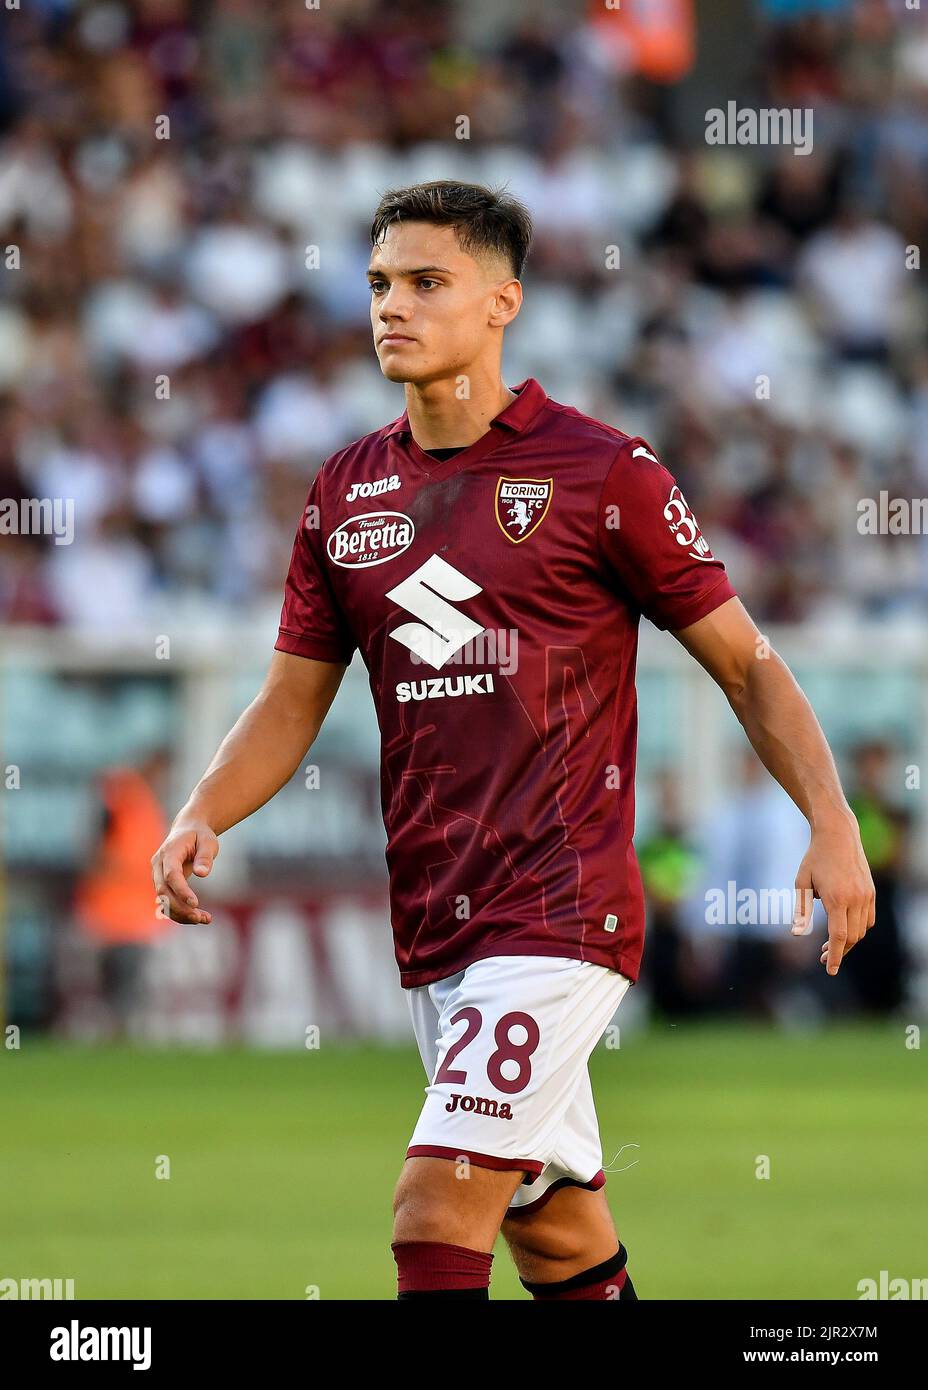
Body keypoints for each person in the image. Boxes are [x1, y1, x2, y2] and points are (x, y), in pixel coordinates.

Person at [151, 181, 875, 1302]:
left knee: (435, 1205)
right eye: (381, 283)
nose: (394, 306)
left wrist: (830, 822)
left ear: (503, 303)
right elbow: (290, 700)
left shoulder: (601, 472)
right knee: (557, 1232)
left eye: (427, 283)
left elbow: (745, 663)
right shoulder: (345, 492)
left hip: (559, 905)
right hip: (438, 914)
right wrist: (203, 809)